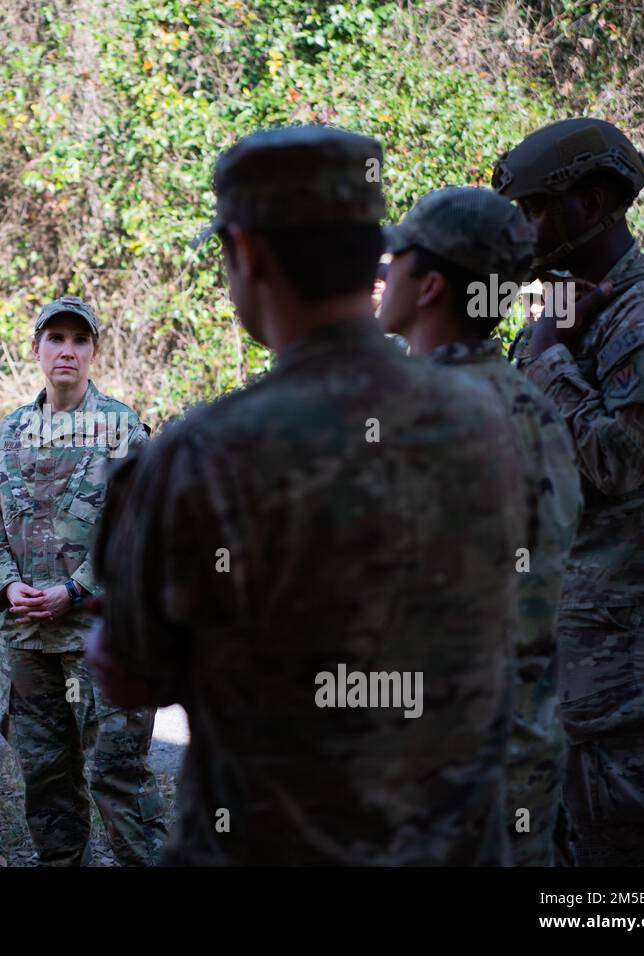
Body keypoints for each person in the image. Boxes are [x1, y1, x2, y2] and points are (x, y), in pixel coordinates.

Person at [87, 126, 528, 865]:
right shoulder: (487, 419)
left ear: (249, 253)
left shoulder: (203, 453)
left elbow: (131, 674)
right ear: (370, 257)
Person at [493, 117, 644, 865]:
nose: (523, 230)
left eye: (534, 210)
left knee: (626, 838)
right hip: (562, 608)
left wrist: (554, 356)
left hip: (623, 616)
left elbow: (620, 461)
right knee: (557, 833)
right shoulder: (562, 309)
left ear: (591, 204)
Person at [377, 185, 583, 864]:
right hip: (522, 747)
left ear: (431, 284)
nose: (382, 271)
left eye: (396, 257)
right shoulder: (534, 406)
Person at [0, 294, 168, 866]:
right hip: (28, 643)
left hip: (100, 639)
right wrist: (8, 586)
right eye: (55, 338)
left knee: (117, 778)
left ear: (93, 353)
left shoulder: (121, 429)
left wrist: (76, 590)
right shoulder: (10, 433)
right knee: (45, 778)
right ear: (36, 349)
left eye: (80, 340)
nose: (67, 351)